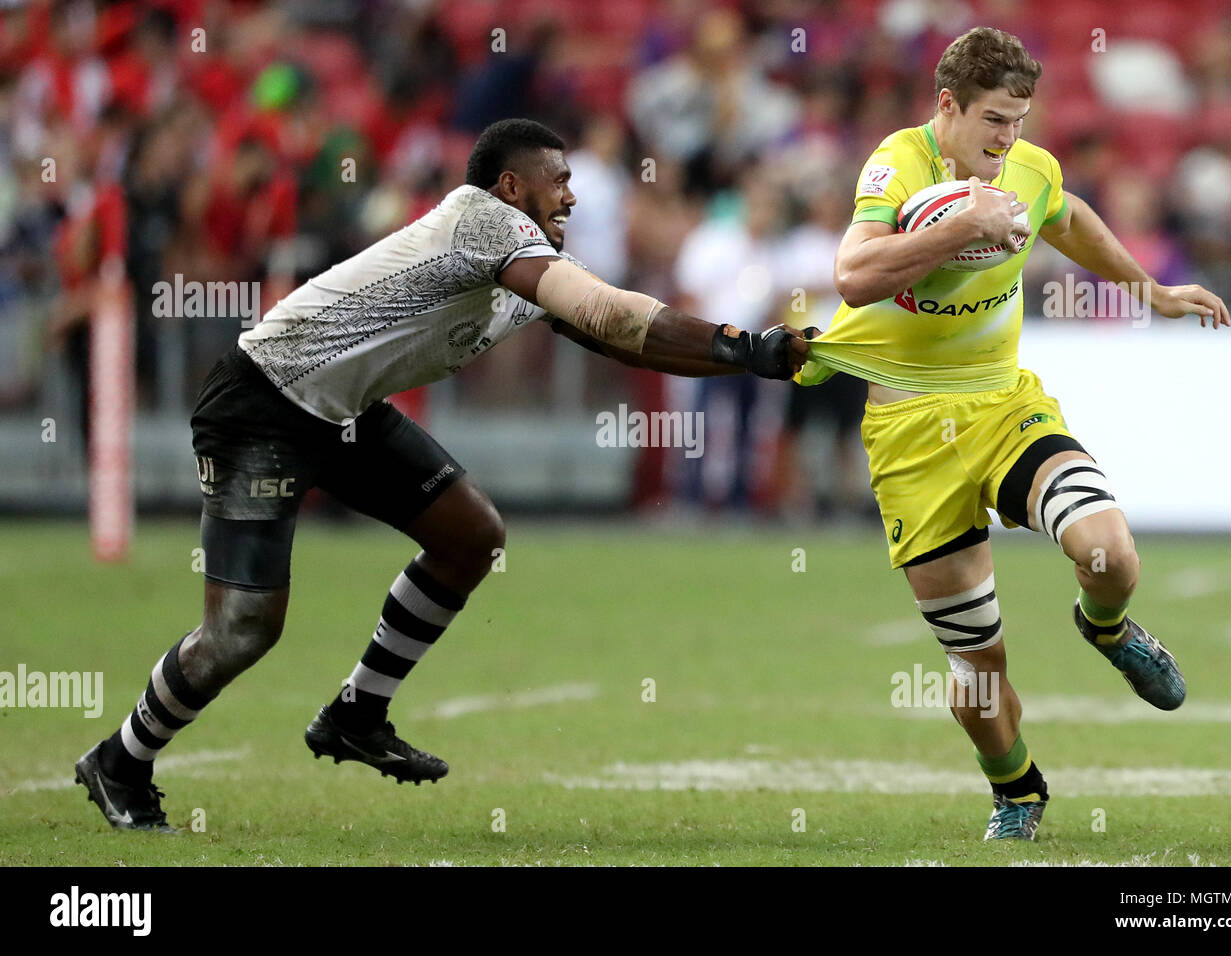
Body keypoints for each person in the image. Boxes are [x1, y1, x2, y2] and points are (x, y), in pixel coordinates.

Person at [75, 118, 811, 832]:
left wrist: (750, 360)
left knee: (470, 535)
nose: (574, 197)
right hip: (263, 400)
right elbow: (612, 313)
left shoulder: (528, 256)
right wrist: (741, 347)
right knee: (242, 630)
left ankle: (356, 715)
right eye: (560, 181)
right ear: (511, 186)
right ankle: (121, 760)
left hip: (343, 409)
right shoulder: (484, 222)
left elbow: (618, 337)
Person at [800, 28, 1230, 841]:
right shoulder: (898, 165)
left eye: (1020, 120)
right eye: (994, 120)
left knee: (1111, 553)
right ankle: (1018, 792)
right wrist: (960, 226)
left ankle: (1104, 627)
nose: (1008, 139)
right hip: (909, 438)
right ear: (947, 107)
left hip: (1002, 406)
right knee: (978, 662)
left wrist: (1151, 289)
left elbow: (1064, 218)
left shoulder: (1027, 169)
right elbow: (855, 275)